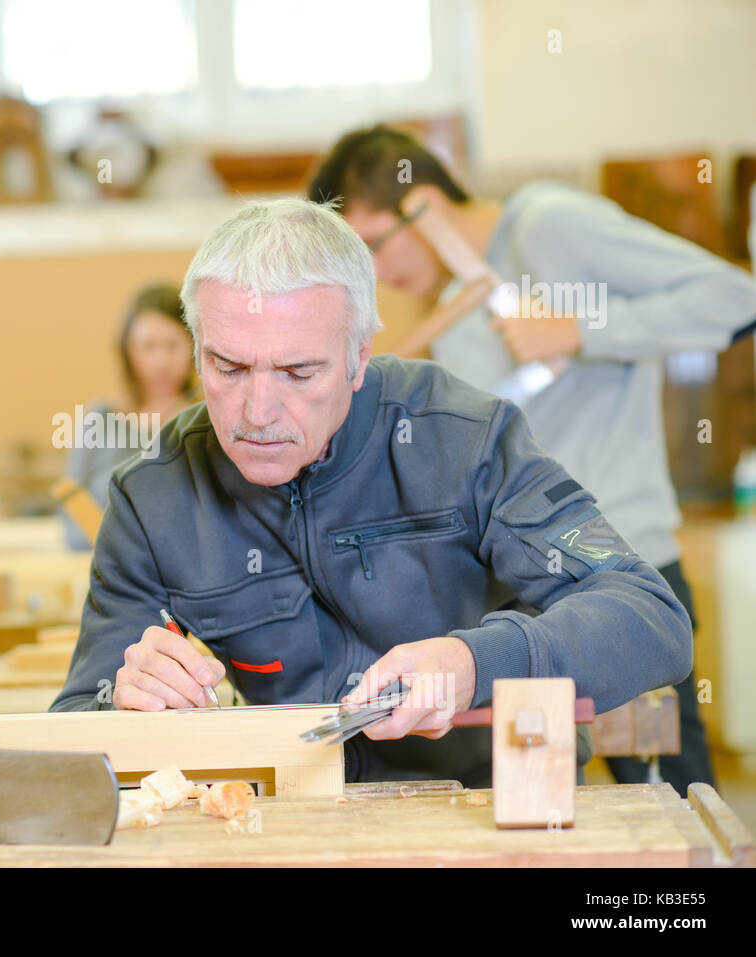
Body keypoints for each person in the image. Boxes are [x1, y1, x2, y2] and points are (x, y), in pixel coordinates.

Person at [50, 198, 693, 788]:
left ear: (359, 359)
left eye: (299, 371)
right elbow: (78, 723)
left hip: (492, 820)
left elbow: (650, 619)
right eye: (229, 367)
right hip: (294, 829)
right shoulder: (154, 493)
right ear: (197, 354)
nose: (258, 411)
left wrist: (474, 661)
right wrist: (122, 700)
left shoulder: (461, 439)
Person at [308, 125, 756, 794]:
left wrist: (580, 329)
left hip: (619, 574)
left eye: (373, 242)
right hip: (520, 594)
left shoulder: (548, 224)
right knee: (535, 801)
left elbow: (735, 297)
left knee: (669, 800)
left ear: (422, 202)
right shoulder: (448, 321)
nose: (376, 271)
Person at [59, 284, 199, 550]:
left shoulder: (207, 420)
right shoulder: (100, 417)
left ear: (194, 345)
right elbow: (70, 504)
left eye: (172, 345)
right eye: (148, 347)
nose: (160, 360)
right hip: (103, 566)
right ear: (127, 350)